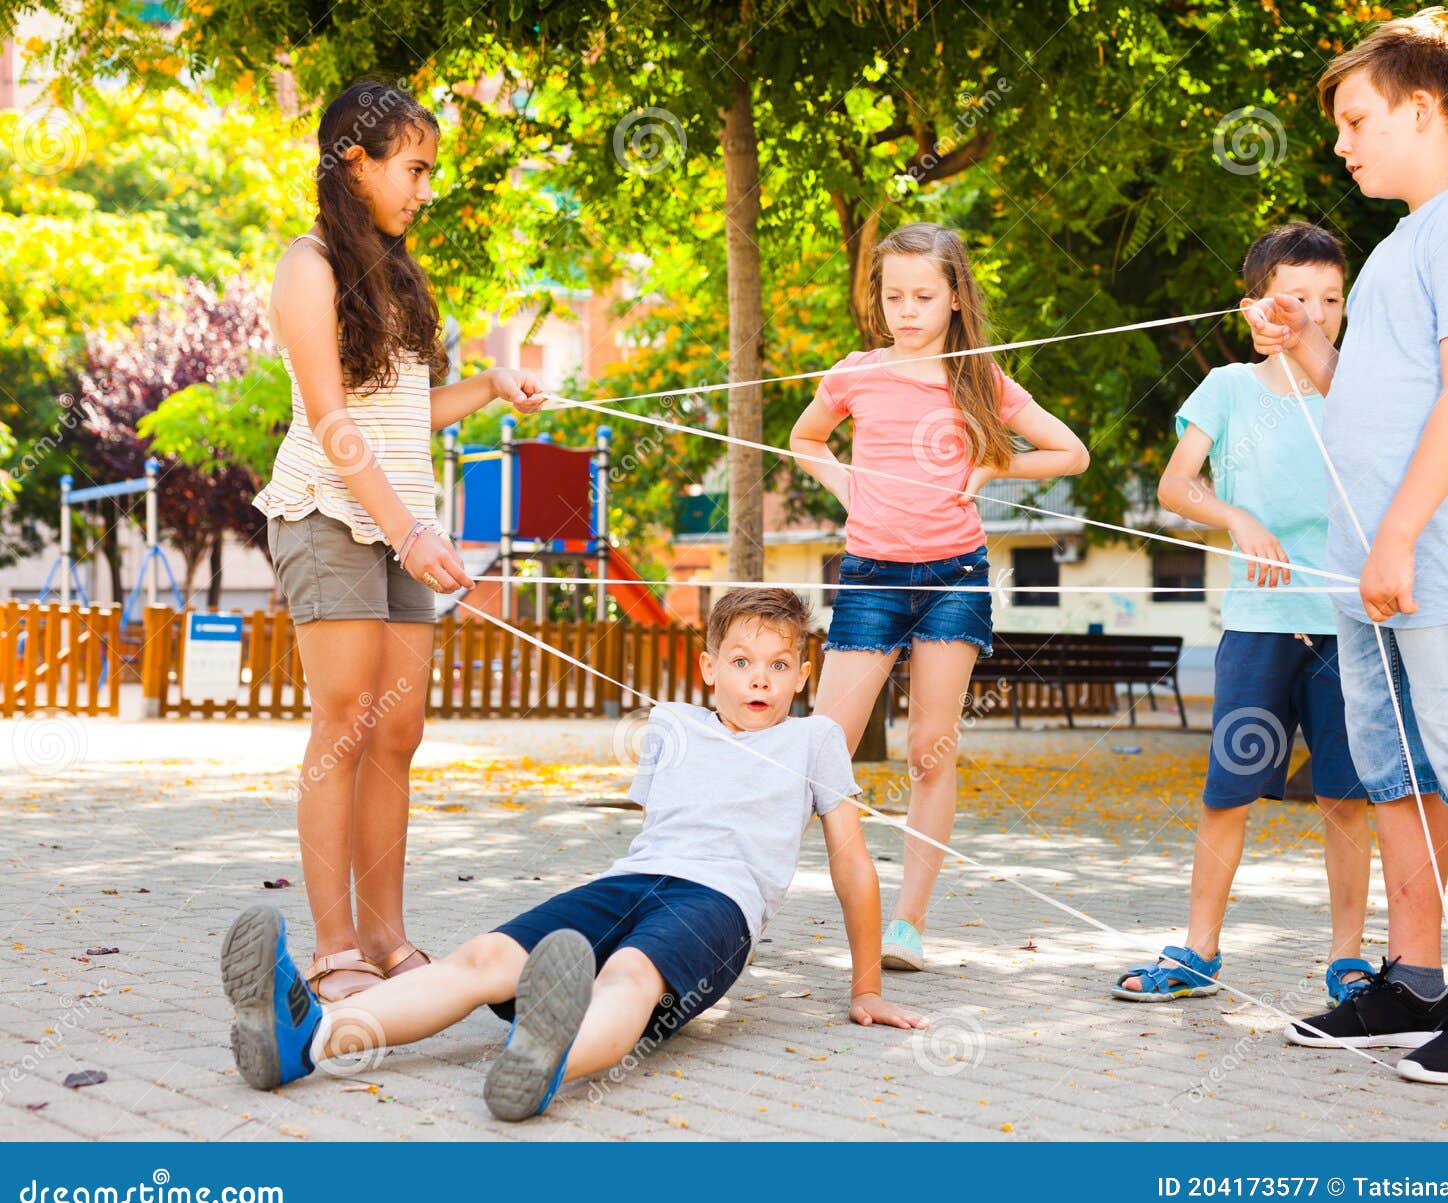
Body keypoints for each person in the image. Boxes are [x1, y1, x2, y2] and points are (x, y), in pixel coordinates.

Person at [221, 588, 927, 1120]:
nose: (761, 679)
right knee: (484, 959)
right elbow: (660, 827)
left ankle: (547, 1063)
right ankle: (308, 1042)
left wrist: (866, 986)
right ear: (710, 667)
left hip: (721, 904)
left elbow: (852, 863)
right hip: (632, 881)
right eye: (742, 662)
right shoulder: (672, 724)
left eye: (779, 665)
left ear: (803, 676)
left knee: (630, 973)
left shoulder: (815, 741)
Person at [1249, 9, 1448, 1083]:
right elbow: (1368, 401)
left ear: (1422, 110)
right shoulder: (1399, 245)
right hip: (1368, 564)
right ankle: (1415, 979)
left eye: (1356, 118)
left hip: (1433, 559)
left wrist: (1403, 536)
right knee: (1396, 770)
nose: (1341, 141)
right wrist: (1309, 341)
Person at [253, 80, 546, 1001]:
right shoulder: (309, 266)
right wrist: (408, 529)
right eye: (413, 168)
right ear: (355, 161)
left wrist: (492, 389)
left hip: (397, 516)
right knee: (344, 720)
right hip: (330, 511)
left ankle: (387, 941)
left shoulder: (399, 274)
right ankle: (334, 946)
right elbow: (335, 424)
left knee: (399, 733)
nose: (424, 188)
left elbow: (404, 416)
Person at [789, 221, 1090, 973]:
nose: (908, 310)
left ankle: (907, 925)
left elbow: (1071, 453)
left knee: (930, 751)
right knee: (823, 748)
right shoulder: (855, 373)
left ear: (955, 297)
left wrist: (992, 470)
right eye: (894, 296)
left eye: (924, 295)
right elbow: (804, 440)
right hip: (872, 574)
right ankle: (801, 895)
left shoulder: (979, 378)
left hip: (954, 577)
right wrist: (847, 487)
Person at [1114, 221, 1373, 1007]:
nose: (1317, 313)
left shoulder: (1360, 394)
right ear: (1259, 308)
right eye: (1299, 298)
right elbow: (1175, 486)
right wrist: (1236, 518)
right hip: (1260, 625)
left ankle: (1351, 962)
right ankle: (1198, 951)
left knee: (1346, 799)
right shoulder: (1226, 389)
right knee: (1228, 791)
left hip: (1349, 628)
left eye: (1332, 299)